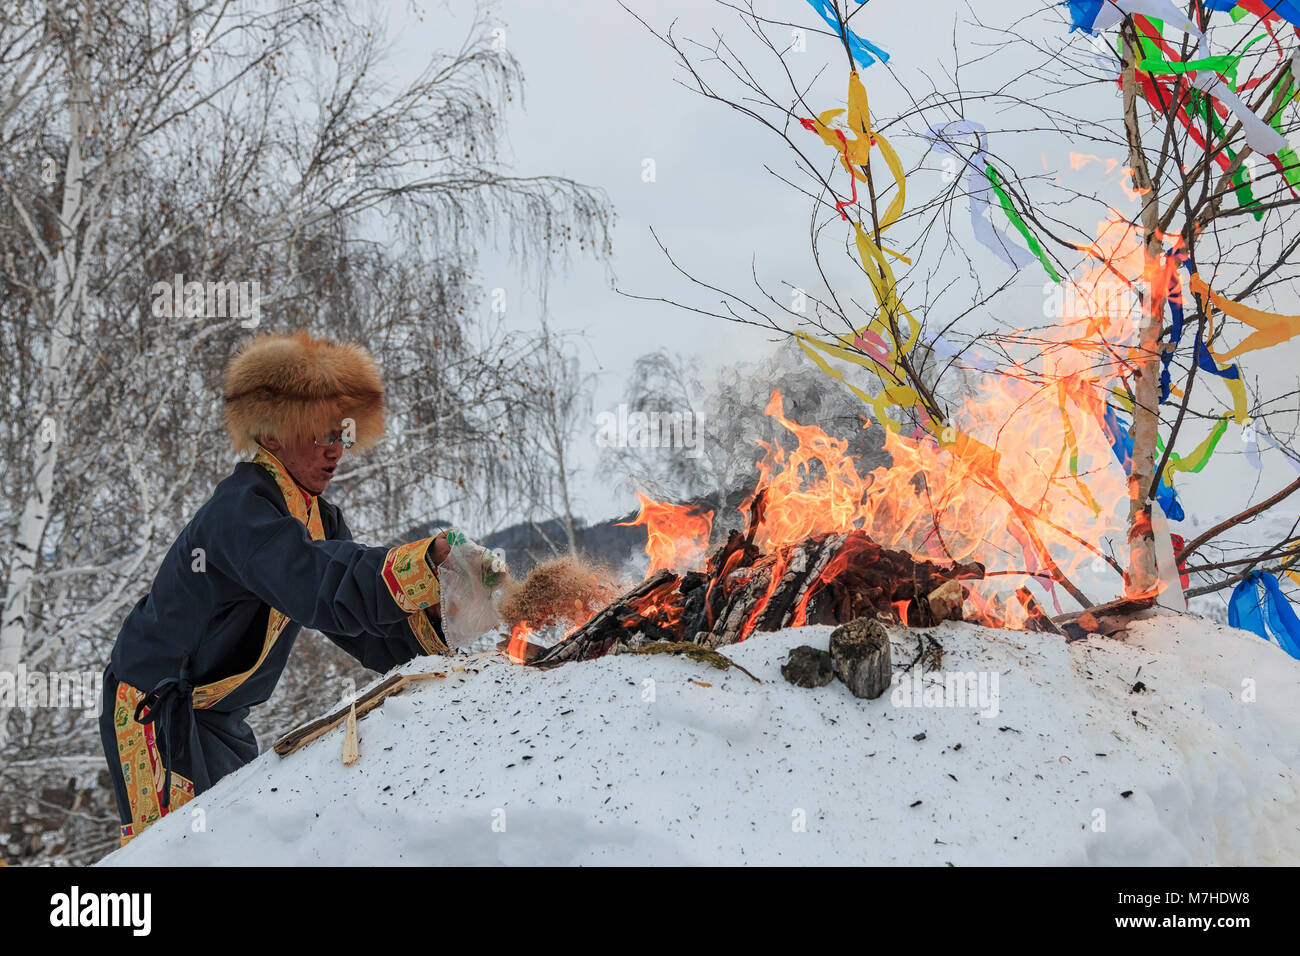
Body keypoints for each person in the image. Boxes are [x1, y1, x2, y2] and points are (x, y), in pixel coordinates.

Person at [99, 330, 450, 846]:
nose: (336, 451)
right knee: (176, 853)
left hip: (218, 713)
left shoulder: (319, 518)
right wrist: (422, 563)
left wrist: (449, 626)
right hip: (155, 709)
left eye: (342, 435)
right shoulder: (239, 509)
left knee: (238, 843)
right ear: (271, 435)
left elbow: (361, 626)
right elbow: (317, 583)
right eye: (319, 435)